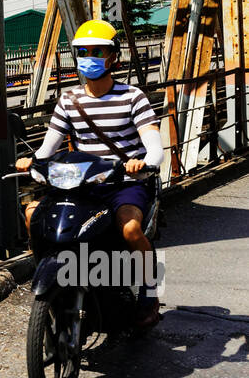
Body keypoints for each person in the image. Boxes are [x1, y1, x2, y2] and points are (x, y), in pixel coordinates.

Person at [15, 20, 164, 328]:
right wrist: (31, 161)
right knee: (34, 215)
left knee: (130, 229)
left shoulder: (132, 97)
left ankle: (150, 294)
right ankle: (52, 274)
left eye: (98, 51)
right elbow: (47, 149)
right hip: (81, 183)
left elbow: (154, 146)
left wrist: (144, 161)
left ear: (113, 57)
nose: (90, 57)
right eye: (83, 51)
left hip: (122, 182)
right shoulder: (69, 100)